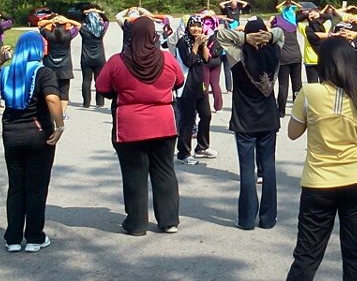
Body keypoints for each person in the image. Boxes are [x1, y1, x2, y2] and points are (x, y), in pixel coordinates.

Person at [275, 37, 357, 281]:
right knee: (356, 254)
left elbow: (293, 132)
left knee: (307, 256)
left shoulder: (309, 93)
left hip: (318, 184)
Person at [0, 31, 64, 252]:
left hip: (12, 135)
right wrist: (59, 125)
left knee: (16, 187)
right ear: (39, 49)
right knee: (36, 187)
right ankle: (34, 237)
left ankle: (13, 237)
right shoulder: (43, 73)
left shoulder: (7, 72)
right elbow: (53, 98)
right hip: (38, 134)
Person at [96, 16, 183, 236]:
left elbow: (102, 88)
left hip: (130, 126)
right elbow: (179, 81)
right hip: (164, 125)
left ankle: (136, 224)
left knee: (134, 174)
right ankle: (169, 220)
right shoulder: (167, 59)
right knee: (164, 171)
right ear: (154, 35)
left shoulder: (117, 61)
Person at [217, 17, 283, 230]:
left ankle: (246, 220)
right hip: (268, 118)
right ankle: (268, 218)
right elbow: (281, 34)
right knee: (269, 168)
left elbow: (220, 35)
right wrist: (270, 36)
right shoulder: (275, 53)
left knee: (247, 170)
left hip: (244, 119)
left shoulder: (238, 55)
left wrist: (244, 37)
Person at [174, 15, 216, 164]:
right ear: (188, 26)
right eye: (193, 25)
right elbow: (189, 61)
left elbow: (207, 60)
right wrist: (196, 45)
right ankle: (183, 153)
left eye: (199, 26)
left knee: (206, 115)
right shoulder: (182, 42)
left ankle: (202, 147)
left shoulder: (199, 40)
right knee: (188, 120)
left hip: (200, 84)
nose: (196, 29)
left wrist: (203, 44)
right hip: (186, 86)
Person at [37, 15, 81, 116]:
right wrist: (68, 20)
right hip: (65, 66)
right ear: (65, 25)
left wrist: (50, 20)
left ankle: (51, 111)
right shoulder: (68, 35)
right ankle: (61, 113)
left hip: (50, 65)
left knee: (50, 89)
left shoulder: (48, 35)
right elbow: (78, 25)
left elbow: (40, 25)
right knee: (64, 92)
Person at [272, 1, 303, 118]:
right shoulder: (294, 27)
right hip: (296, 56)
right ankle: (298, 109)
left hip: (284, 58)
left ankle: (281, 110)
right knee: (297, 84)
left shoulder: (278, 30)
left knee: (283, 85)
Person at [79, 7, 109, 109]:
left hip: (86, 58)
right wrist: (99, 12)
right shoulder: (101, 29)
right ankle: (100, 102)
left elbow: (78, 21)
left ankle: (86, 102)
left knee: (86, 80)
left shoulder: (84, 29)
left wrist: (85, 13)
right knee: (99, 80)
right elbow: (106, 21)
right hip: (99, 58)